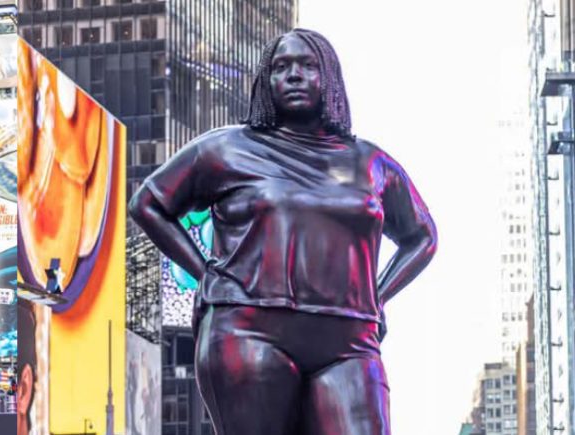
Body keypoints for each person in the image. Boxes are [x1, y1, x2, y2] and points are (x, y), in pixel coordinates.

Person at [128, 29, 437, 435]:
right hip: (249, 330)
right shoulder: (226, 149)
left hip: (349, 340)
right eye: (280, 67)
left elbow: (423, 237)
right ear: (265, 82)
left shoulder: (372, 164)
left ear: (330, 79)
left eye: (308, 66)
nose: (293, 75)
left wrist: (376, 295)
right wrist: (206, 273)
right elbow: (148, 204)